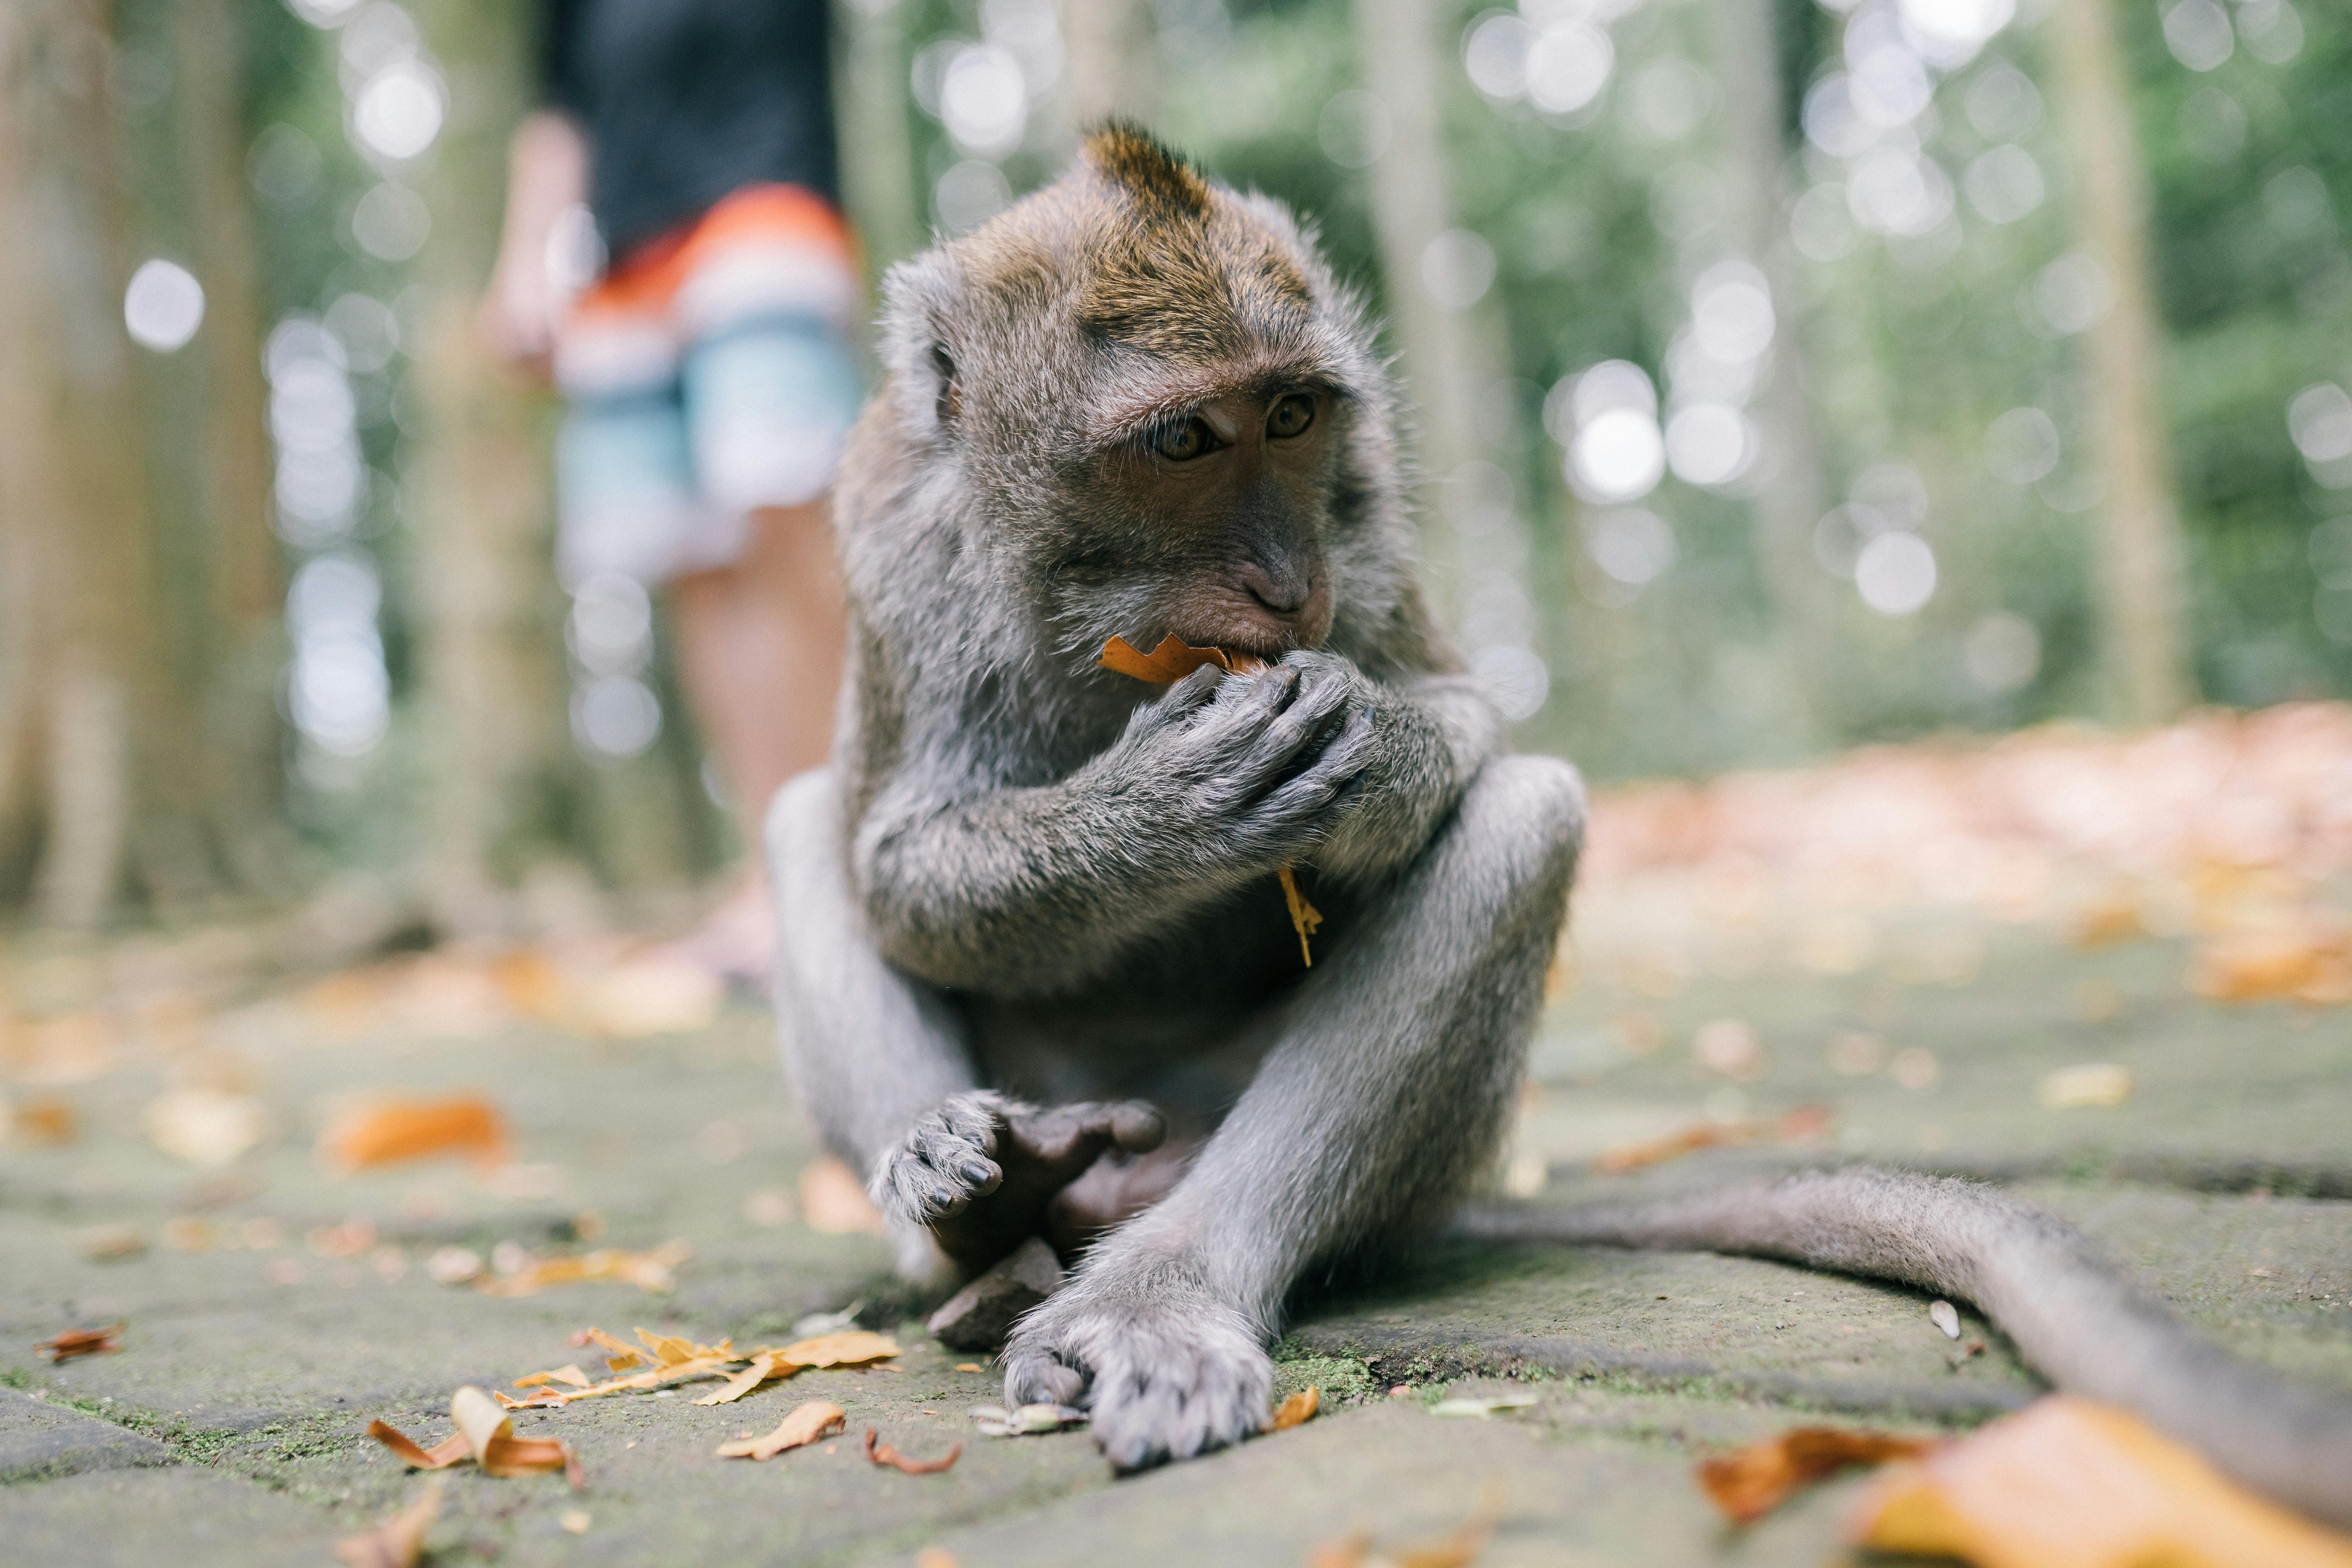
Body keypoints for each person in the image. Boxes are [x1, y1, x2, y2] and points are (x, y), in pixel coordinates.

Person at [477, 0, 860, 981]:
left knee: (785, 524)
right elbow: (557, 107)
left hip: (766, 206)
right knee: (697, 563)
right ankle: (771, 876)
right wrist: (525, 258)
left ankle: (849, 859)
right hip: (623, 256)